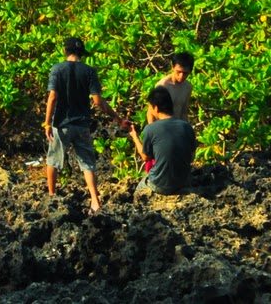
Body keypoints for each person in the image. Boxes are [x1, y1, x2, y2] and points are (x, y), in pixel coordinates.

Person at [43, 36, 131, 213]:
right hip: (82, 124)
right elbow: (98, 101)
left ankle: (52, 196)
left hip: (61, 124)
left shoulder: (57, 69)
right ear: (81, 54)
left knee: (53, 160)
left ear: (65, 51)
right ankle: (95, 201)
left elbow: (52, 97)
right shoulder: (89, 71)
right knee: (87, 163)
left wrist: (47, 124)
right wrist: (117, 118)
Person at [130, 86, 197, 196]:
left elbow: (145, 157)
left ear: (156, 108)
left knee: (138, 191)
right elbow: (192, 157)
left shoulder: (150, 129)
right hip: (184, 182)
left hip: (160, 185)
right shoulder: (187, 127)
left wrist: (134, 136)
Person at [150, 51, 195, 124]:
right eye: (178, 72)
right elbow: (151, 112)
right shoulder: (163, 85)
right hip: (162, 126)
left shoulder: (188, 87)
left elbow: (184, 112)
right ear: (172, 67)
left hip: (177, 126)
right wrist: (153, 129)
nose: (181, 76)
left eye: (185, 73)